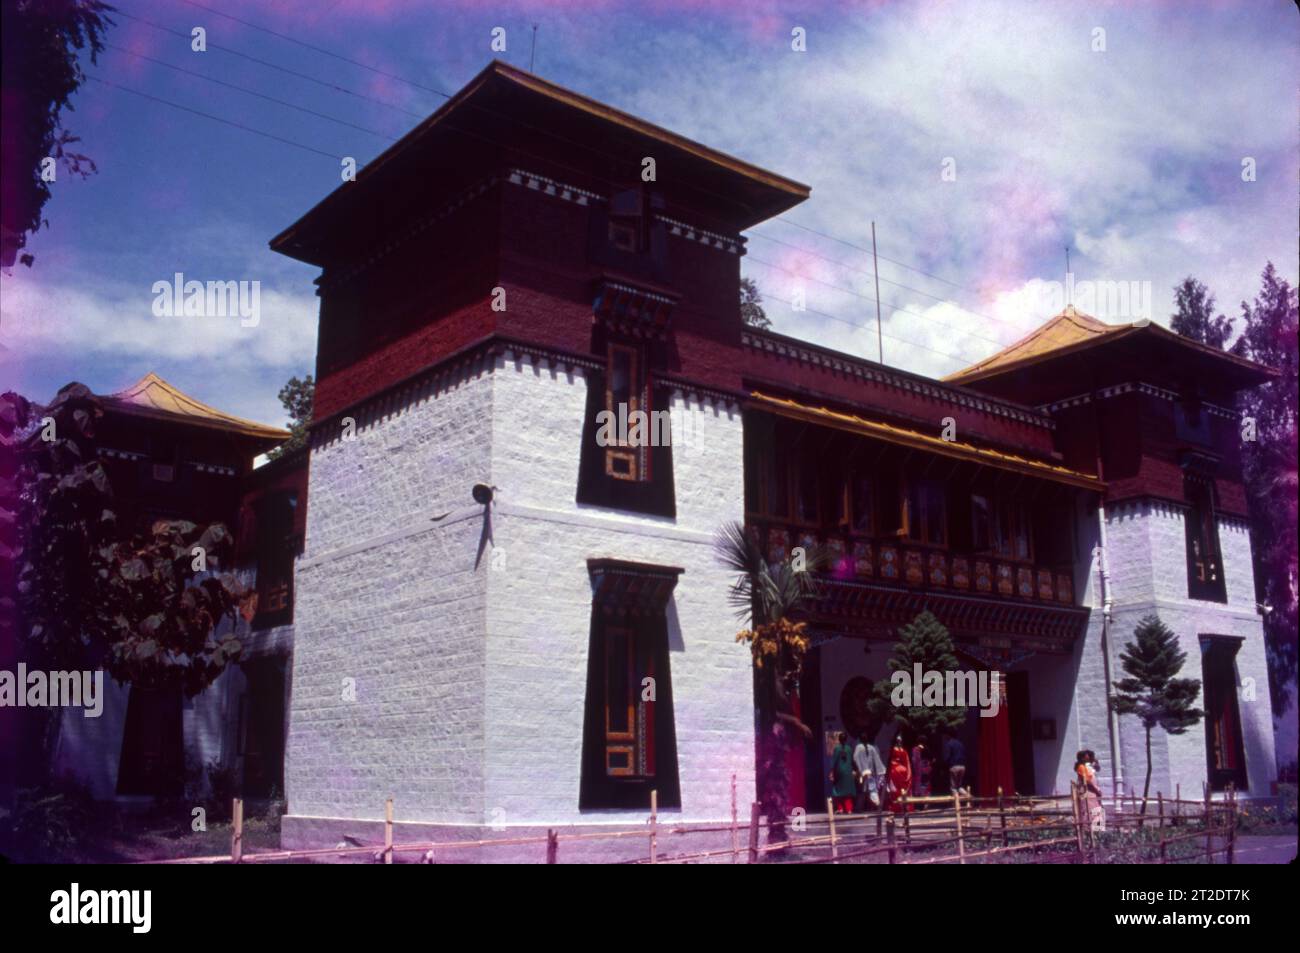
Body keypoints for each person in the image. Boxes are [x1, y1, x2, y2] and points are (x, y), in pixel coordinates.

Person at [853, 732, 886, 812]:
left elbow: (855, 758)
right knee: (872, 789)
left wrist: (858, 769)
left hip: (863, 772)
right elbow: (877, 760)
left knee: (862, 791)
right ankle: (877, 804)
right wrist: (880, 770)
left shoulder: (859, 747)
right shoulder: (871, 747)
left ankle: (859, 807)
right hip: (870, 772)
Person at [829, 732, 857, 814]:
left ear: (839, 739)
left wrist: (831, 771)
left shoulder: (837, 748)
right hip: (848, 771)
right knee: (848, 791)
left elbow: (834, 761)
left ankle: (840, 809)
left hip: (839, 771)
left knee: (838, 790)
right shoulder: (849, 748)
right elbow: (852, 760)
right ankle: (849, 809)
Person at [886, 737, 912, 813]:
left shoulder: (892, 751)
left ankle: (896, 807)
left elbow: (888, 761)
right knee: (902, 789)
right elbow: (907, 763)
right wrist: (908, 774)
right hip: (903, 770)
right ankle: (904, 807)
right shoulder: (904, 751)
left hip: (893, 770)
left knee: (894, 789)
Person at [941, 728, 968, 796]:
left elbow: (947, 756)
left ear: (949, 735)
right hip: (962, 766)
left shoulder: (949, 744)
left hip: (954, 766)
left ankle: (956, 804)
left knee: (953, 787)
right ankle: (969, 797)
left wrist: (943, 766)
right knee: (959, 786)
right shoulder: (960, 744)